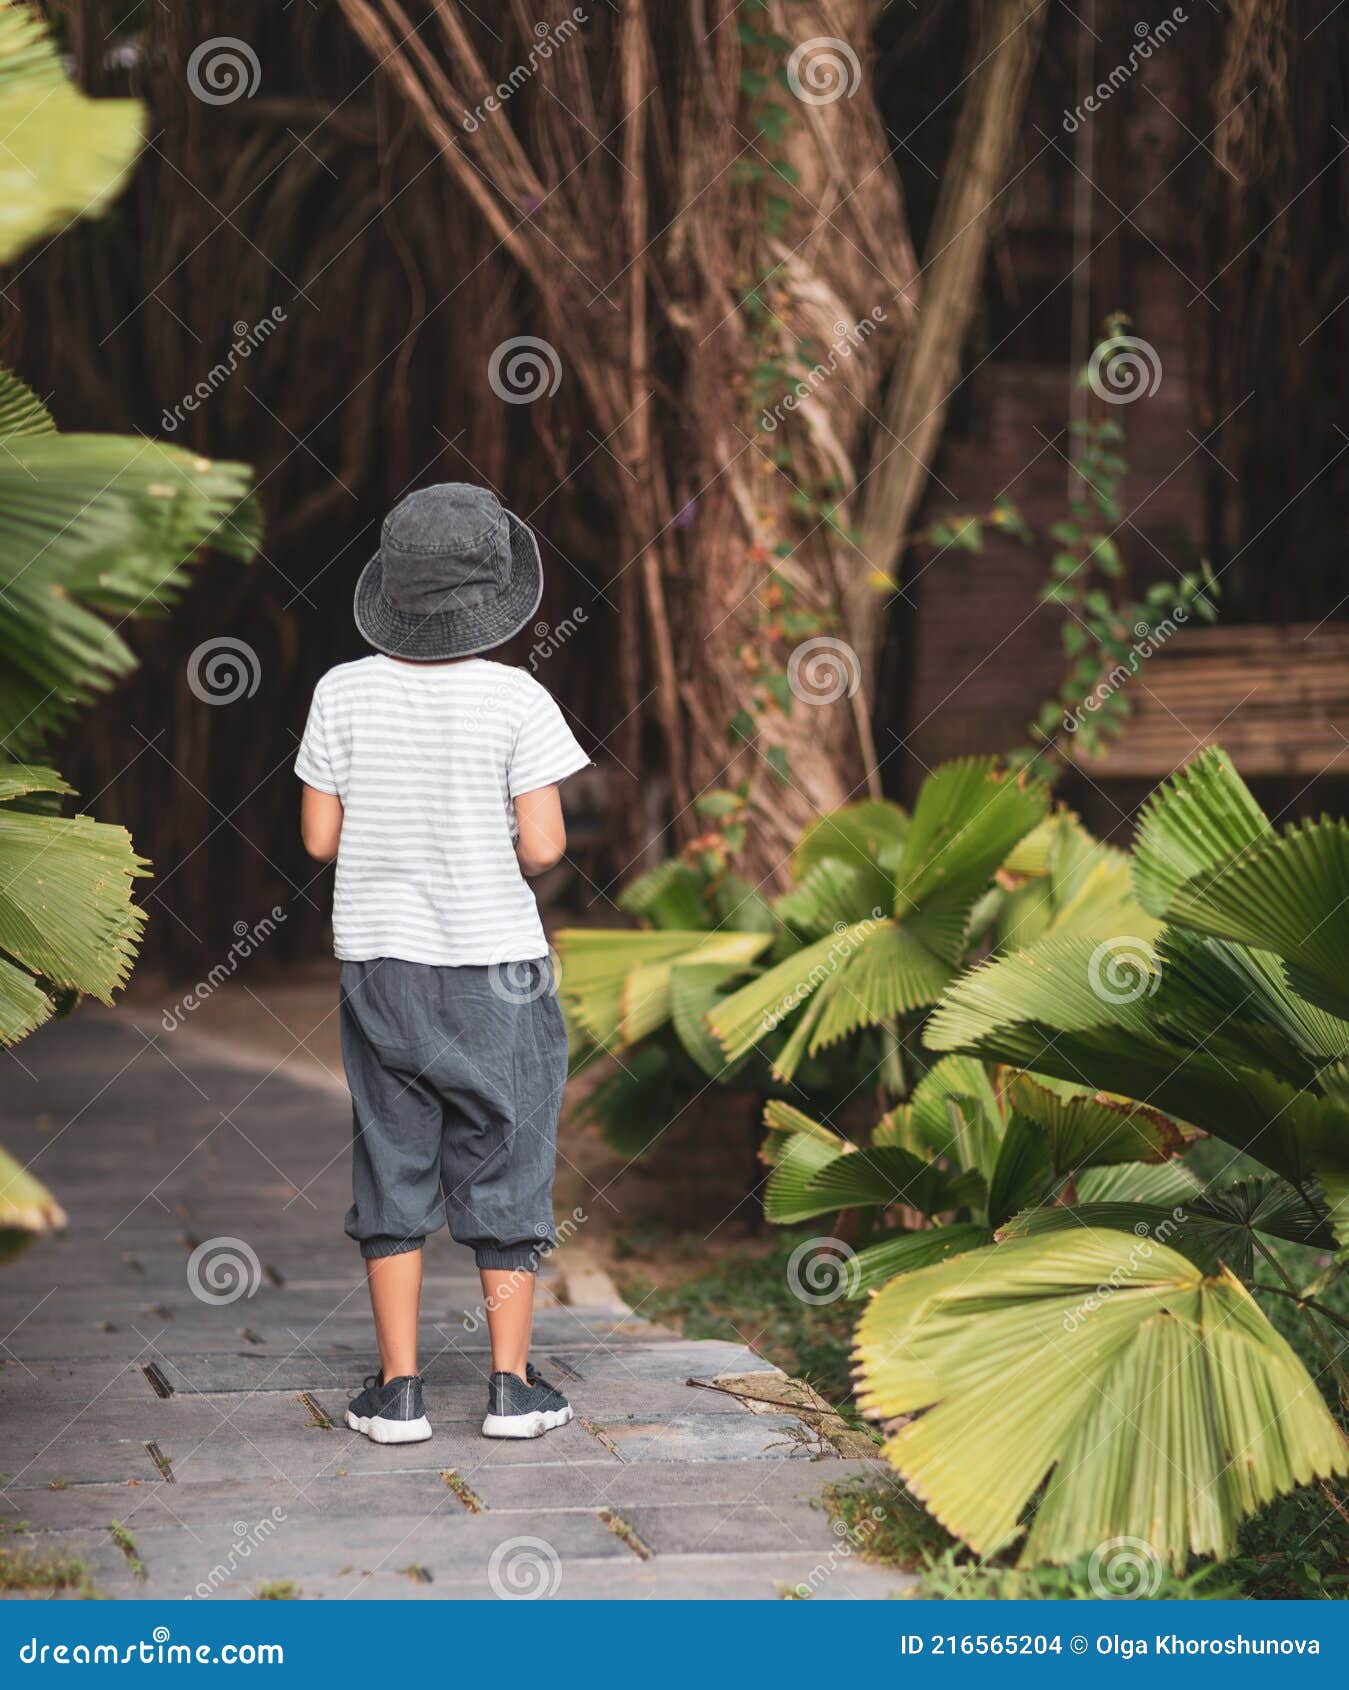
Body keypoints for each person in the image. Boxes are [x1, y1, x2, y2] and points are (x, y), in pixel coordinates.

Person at [296, 483, 588, 1443]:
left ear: (396, 590)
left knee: (393, 1153)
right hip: (498, 965)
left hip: (383, 964)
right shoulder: (518, 696)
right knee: (506, 1151)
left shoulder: (340, 690)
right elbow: (543, 847)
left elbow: (318, 839)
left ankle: (399, 1391)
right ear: (495, 595)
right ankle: (511, 1388)